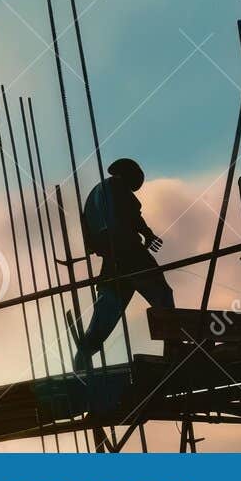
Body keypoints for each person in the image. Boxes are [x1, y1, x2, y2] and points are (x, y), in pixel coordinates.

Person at [73, 158, 173, 371]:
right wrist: (146, 233)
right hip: (131, 254)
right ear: (127, 174)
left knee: (106, 314)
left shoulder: (94, 196)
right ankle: (173, 348)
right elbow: (132, 215)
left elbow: (88, 230)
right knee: (163, 296)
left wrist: (102, 248)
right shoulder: (118, 188)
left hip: (112, 262)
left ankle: (82, 360)